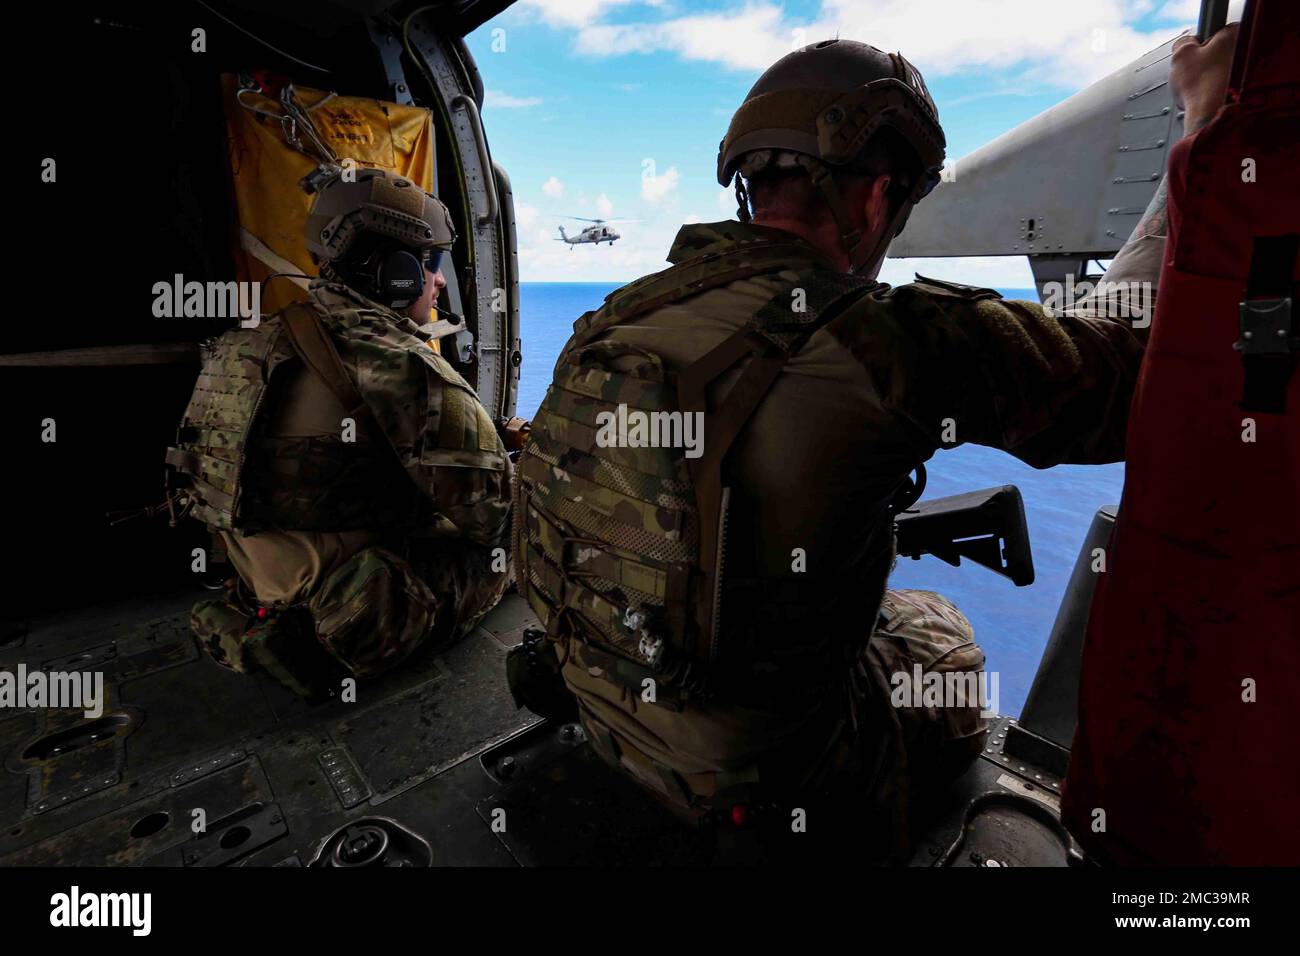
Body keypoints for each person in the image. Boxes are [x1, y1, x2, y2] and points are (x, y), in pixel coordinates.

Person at [511, 32, 1238, 858]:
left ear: (751, 184)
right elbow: (1131, 381)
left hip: (604, 706)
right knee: (947, 640)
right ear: (874, 199)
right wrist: (1202, 129)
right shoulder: (886, 339)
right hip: (760, 777)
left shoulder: (611, 320)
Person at [168, 168, 512, 697]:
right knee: (521, 539)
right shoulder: (397, 362)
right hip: (355, 610)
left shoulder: (247, 343)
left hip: (262, 585)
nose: (439, 281)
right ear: (395, 272)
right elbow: (494, 514)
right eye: (431, 264)